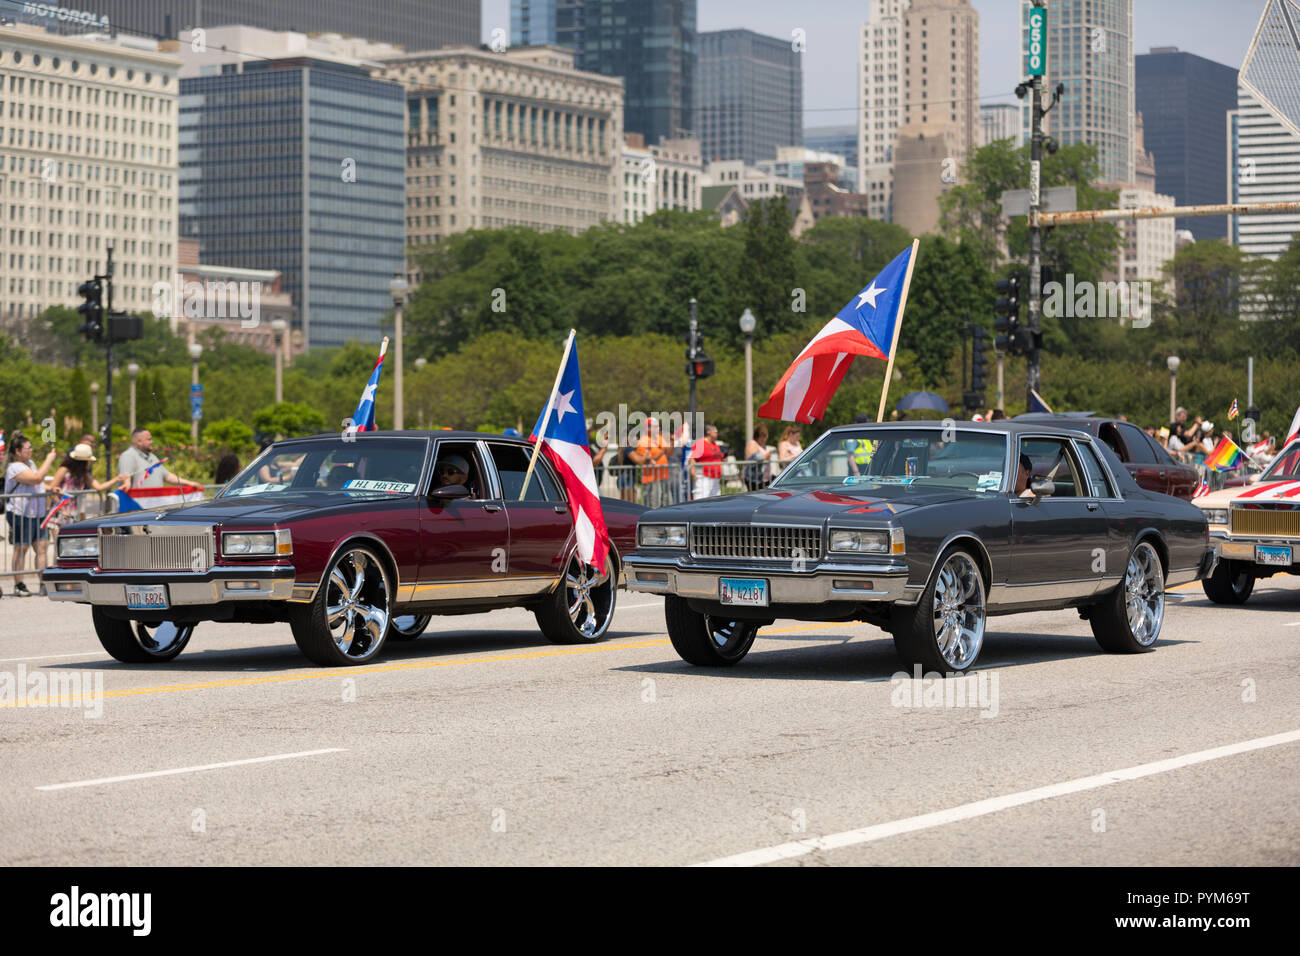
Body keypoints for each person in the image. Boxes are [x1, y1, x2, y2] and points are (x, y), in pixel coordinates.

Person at [5, 432, 57, 596]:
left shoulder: (31, 463)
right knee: (22, 549)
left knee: (42, 547)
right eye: (28, 448)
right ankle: (19, 584)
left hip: (38, 512)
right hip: (21, 513)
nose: (31, 450)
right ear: (18, 451)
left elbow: (37, 484)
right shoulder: (14, 467)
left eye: (31, 447)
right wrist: (49, 459)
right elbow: (35, 478)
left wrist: (50, 489)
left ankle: (43, 583)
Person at [48, 443, 129, 533]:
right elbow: (52, 490)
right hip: (59, 512)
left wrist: (116, 479)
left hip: (73, 513)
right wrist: (62, 510)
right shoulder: (64, 470)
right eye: (88, 461)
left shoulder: (84, 474)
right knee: (59, 542)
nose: (89, 463)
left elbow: (99, 487)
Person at [118, 428, 196, 489]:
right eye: (149, 439)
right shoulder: (128, 456)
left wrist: (189, 483)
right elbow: (125, 479)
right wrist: (126, 482)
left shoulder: (152, 457)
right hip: (137, 507)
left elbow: (167, 476)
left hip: (155, 506)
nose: (152, 441)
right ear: (139, 442)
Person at [631, 417, 674, 509]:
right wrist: (663, 451)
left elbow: (669, 452)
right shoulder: (643, 441)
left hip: (663, 475)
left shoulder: (660, 437)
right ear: (648, 428)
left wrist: (672, 440)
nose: (659, 428)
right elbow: (649, 460)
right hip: (651, 478)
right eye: (656, 426)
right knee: (653, 503)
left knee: (666, 501)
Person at [688, 424, 723, 499]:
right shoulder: (700, 443)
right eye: (715, 432)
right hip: (704, 476)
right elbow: (692, 458)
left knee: (716, 498)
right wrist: (693, 473)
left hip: (715, 476)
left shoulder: (714, 444)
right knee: (702, 497)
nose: (717, 434)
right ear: (709, 432)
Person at [743, 424, 773, 491]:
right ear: (760, 435)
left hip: (763, 479)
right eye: (764, 436)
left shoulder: (762, 445)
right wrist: (765, 457)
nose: (766, 438)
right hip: (754, 479)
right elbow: (751, 459)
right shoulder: (752, 443)